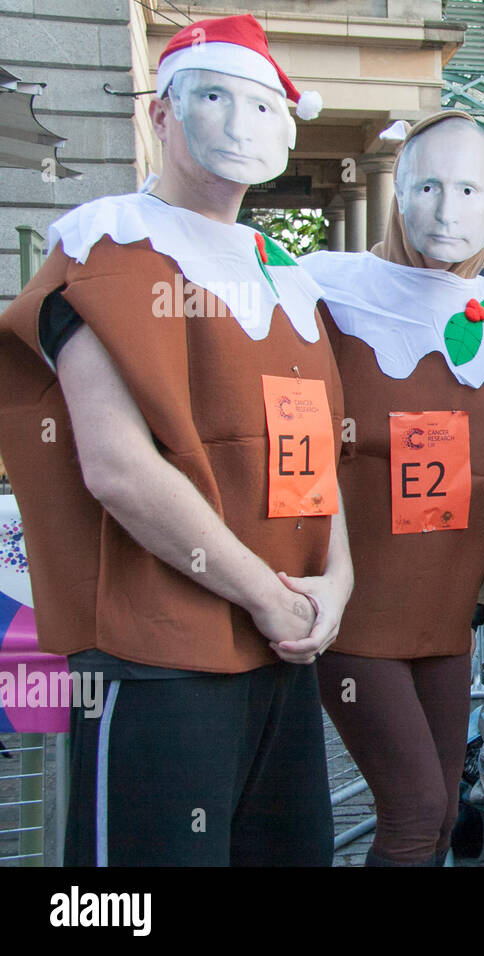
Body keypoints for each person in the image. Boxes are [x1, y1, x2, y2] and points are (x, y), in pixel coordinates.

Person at [0, 14, 348, 866]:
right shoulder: (106, 247)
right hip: (161, 653)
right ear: (160, 115)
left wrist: (336, 581)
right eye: (215, 97)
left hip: (285, 648)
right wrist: (268, 597)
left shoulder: (283, 272)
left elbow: (312, 454)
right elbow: (118, 467)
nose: (240, 122)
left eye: (264, 105)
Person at [300, 111, 484, 866]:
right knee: (416, 811)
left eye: (469, 188)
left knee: (439, 818)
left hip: (445, 623)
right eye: (428, 184)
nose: (447, 208)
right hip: (352, 614)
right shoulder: (322, 289)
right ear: (398, 194)